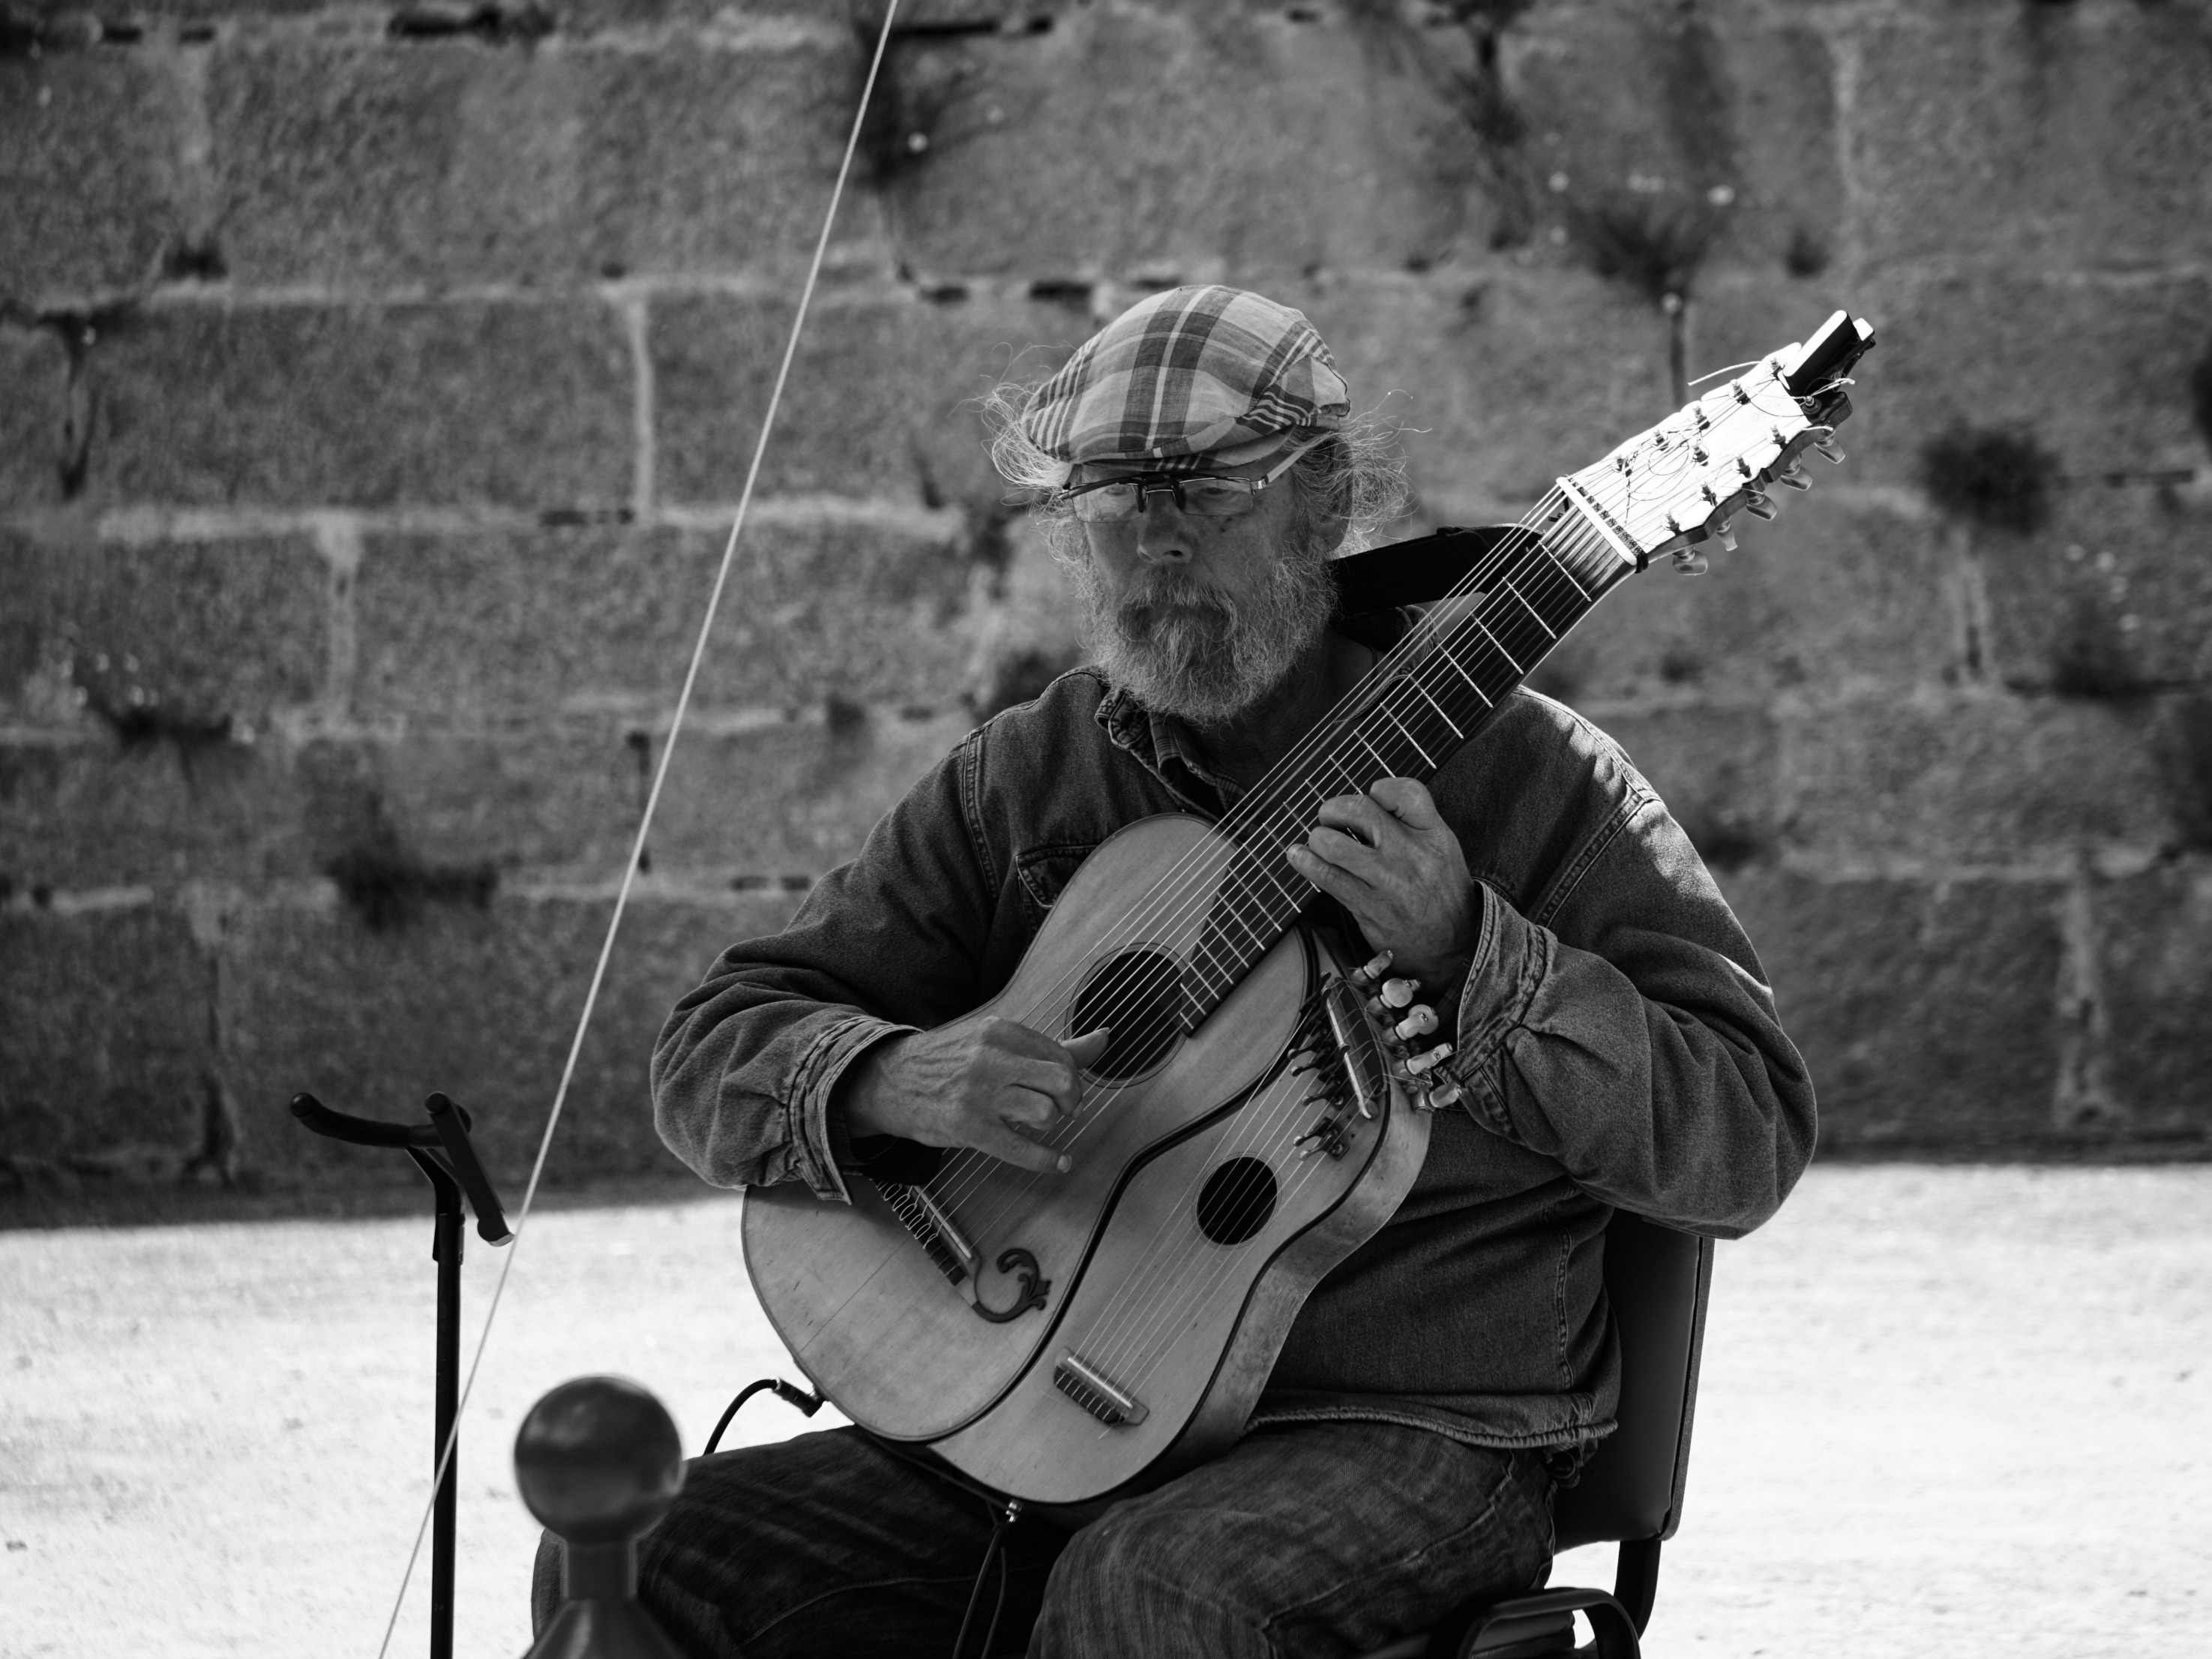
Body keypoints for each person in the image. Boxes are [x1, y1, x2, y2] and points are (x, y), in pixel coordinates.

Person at [533, 285, 1816, 1658]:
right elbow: (707, 1050)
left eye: (1205, 490)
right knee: (638, 1552)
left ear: (1322, 501)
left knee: (1145, 1596)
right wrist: (899, 1078)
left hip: (1408, 1429)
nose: (1153, 543)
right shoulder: (1032, 778)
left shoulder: (1534, 777)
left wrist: (1473, 954)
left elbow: (1743, 1140)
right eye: (1109, 500)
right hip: (1039, 1392)